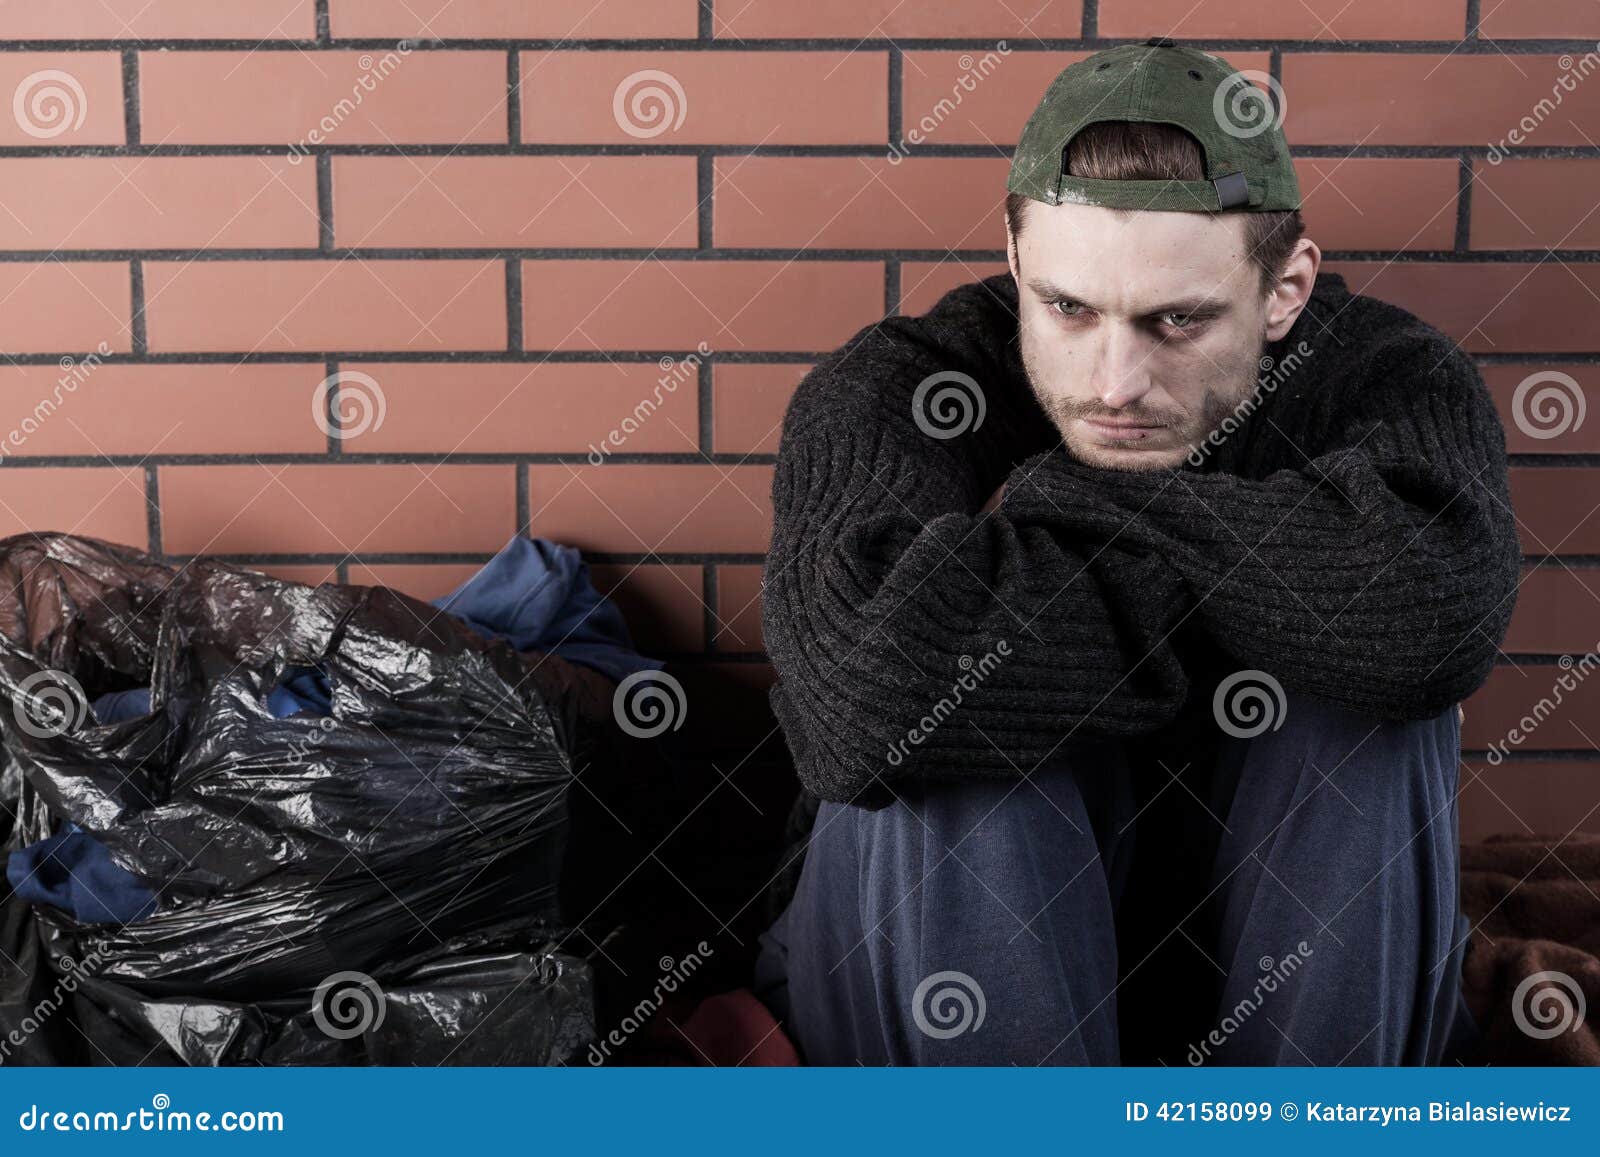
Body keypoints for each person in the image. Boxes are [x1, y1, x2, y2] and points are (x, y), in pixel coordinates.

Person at [751, 40, 1521, 1066]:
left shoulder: (1386, 376)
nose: (1113, 382)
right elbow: (860, 705)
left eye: (1177, 321)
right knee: (953, 710)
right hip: (925, 963)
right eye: (1068, 309)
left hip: (1263, 964)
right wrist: (1265, 585)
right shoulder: (901, 385)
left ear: (1285, 288)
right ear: (1018, 263)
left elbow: (1426, 623)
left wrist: (1068, 501)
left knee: (1369, 694)